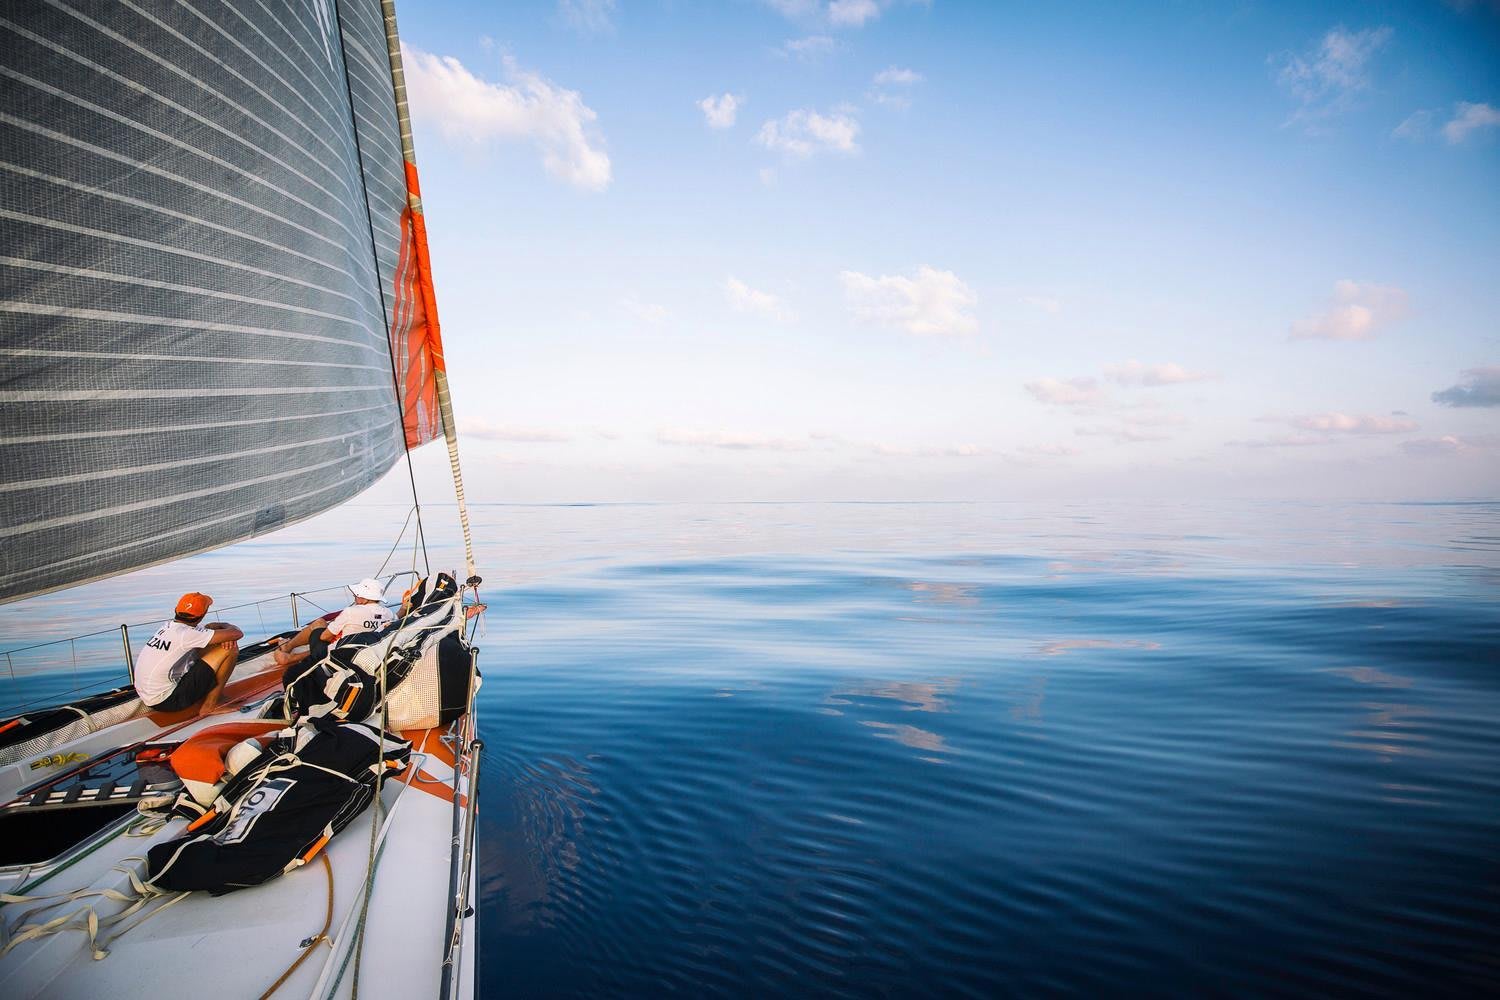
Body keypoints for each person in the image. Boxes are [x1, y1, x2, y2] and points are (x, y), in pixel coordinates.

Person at [134, 592, 243, 716]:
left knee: (215, 643)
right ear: (203, 615)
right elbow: (237, 634)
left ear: (176, 610)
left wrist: (221, 634)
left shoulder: (169, 627)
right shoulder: (186, 634)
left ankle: (214, 694)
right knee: (230, 649)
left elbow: (205, 630)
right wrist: (225, 626)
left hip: (149, 697)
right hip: (168, 701)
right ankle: (210, 706)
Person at [273, 578, 393, 672]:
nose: (354, 597)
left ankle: (289, 651)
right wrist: (402, 608)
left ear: (364, 599)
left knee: (320, 623)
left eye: (356, 595)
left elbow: (324, 637)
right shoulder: (389, 614)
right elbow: (394, 618)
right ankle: (291, 651)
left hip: (338, 655)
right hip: (364, 653)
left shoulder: (351, 612)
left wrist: (334, 632)